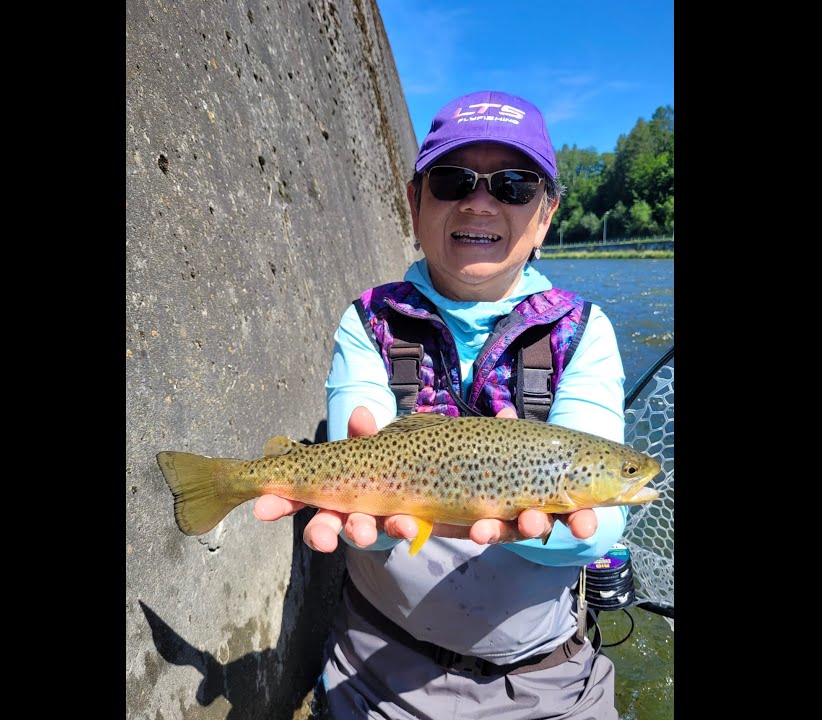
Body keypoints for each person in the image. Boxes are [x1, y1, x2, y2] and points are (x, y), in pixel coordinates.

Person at [254, 90, 628, 719]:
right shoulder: (368, 321)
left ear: (544, 216)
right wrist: (363, 520)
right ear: (414, 202)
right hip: (373, 668)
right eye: (454, 179)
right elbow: (367, 516)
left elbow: (602, 526)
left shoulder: (584, 333)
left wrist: (534, 526)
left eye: (513, 185)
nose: (479, 200)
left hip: (546, 681)